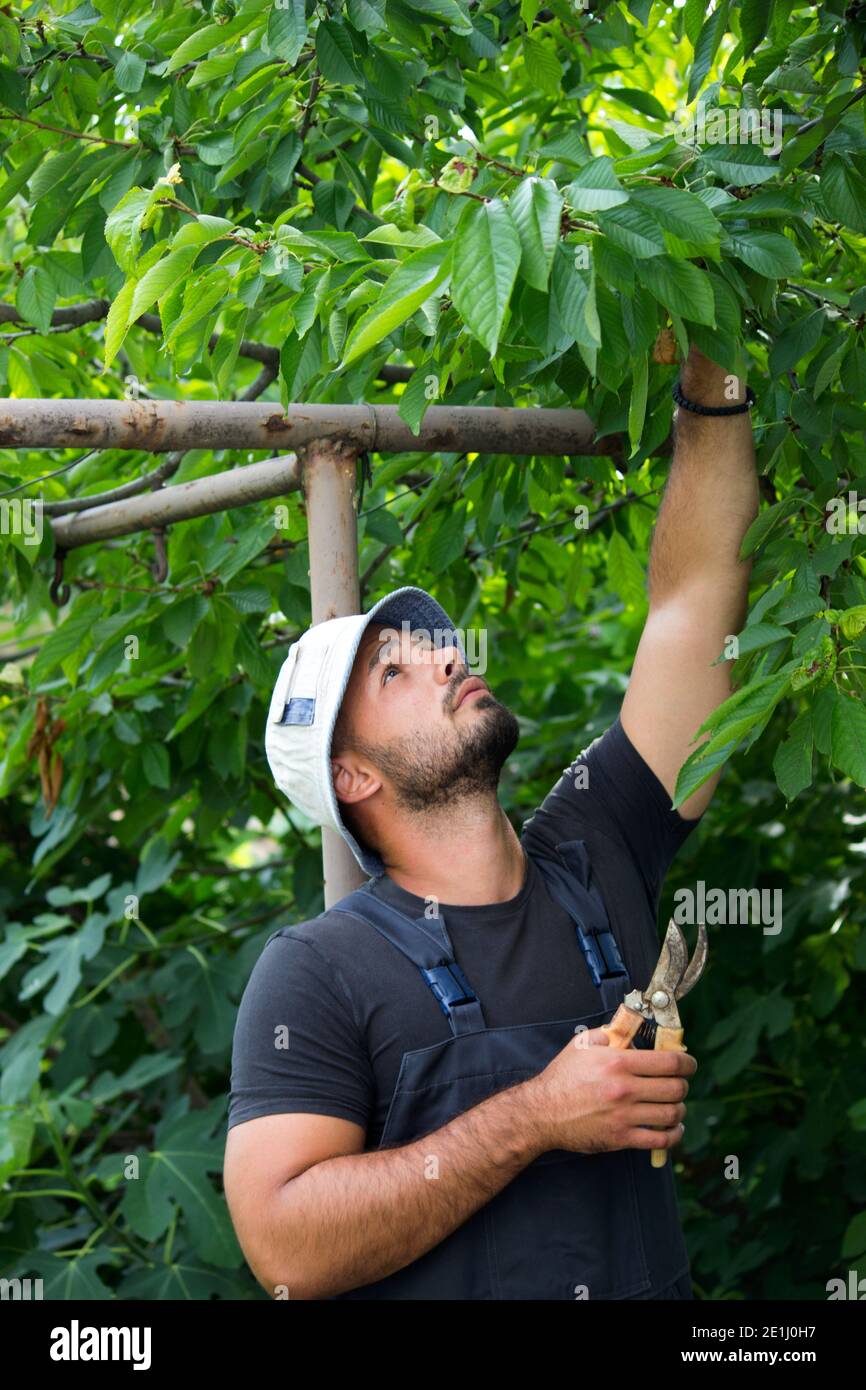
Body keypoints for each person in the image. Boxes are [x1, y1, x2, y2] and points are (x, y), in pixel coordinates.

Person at [224, 347, 759, 1300]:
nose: (440, 658)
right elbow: (286, 1252)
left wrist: (711, 382)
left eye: (430, 646)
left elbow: (694, 603)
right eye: (395, 671)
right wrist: (537, 1116)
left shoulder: (598, 845)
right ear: (351, 775)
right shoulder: (316, 971)